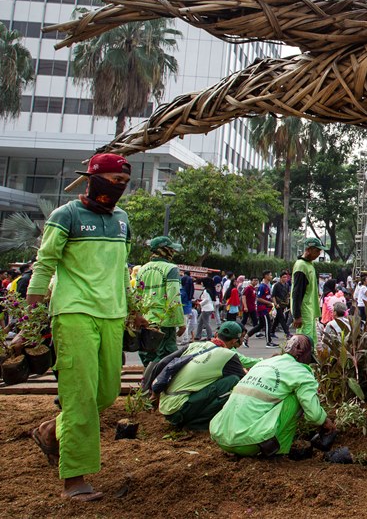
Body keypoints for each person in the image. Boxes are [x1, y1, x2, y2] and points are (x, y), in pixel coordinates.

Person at [26, 152, 135, 501]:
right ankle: (74, 480)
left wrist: (132, 308)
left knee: (106, 393)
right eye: (115, 181)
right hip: (74, 312)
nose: (120, 187)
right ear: (94, 178)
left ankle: (51, 430)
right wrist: (32, 310)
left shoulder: (122, 220)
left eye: (125, 183)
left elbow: (122, 267)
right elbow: (46, 261)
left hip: (112, 314)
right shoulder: (66, 215)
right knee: (80, 397)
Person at [210, 335, 335, 457]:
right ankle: (280, 452)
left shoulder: (263, 363)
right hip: (248, 443)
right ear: (303, 354)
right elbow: (314, 415)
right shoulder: (301, 372)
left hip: (221, 437)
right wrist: (325, 421)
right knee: (297, 398)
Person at [158, 321, 248, 430]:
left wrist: (152, 390)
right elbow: (245, 381)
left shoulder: (195, 345)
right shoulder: (228, 355)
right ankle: (198, 424)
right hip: (179, 410)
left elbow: (163, 362)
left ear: (216, 334)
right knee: (233, 380)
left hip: (165, 406)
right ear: (234, 340)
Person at [139, 236, 186, 366]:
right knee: (167, 359)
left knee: (149, 358)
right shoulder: (171, 269)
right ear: (165, 250)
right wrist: (181, 323)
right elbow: (174, 297)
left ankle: (147, 379)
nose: (173, 252)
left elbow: (137, 296)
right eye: (171, 249)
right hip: (164, 322)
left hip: (146, 320)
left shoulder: (142, 269)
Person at [291, 237, 324, 345]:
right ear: (308, 250)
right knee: (304, 342)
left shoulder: (309, 264)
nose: (319, 253)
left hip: (310, 310)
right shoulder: (301, 266)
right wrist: (297, 315)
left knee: (311, 341)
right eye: (317, 250)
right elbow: (297, 292)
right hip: (304, 311)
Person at [255, 270, 277, 347]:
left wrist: (272, 303)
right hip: (262, 308)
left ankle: (246, 336)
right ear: (266, 276)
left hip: (265, 308)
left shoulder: (267, 286)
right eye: (270, 275)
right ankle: (268, 342)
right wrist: (269, 303)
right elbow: (259, 298)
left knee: (261, 325)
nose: (271, 277)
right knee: (268, 324)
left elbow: (267, 297)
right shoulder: (262, 286)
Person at [269, 270, 291, 340]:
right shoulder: (277, 285)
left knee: (277, 318)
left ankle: (272, 331)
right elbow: (273, 296)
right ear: (281, 278)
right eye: (284, 277)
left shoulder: (287, 285)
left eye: (286, 277)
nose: (285, 278)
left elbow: (287, 294)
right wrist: (275, 304)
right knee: (282, 319)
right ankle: (287, 333)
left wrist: (288, 301)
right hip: (278, 304)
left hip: (284, 304)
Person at [179, 268, 197, 344]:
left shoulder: (182, 291)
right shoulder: (189, 291)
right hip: (188, 309)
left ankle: (185, 339)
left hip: (183, 309)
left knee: (183, 325)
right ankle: (185, 338)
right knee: (186, 324)